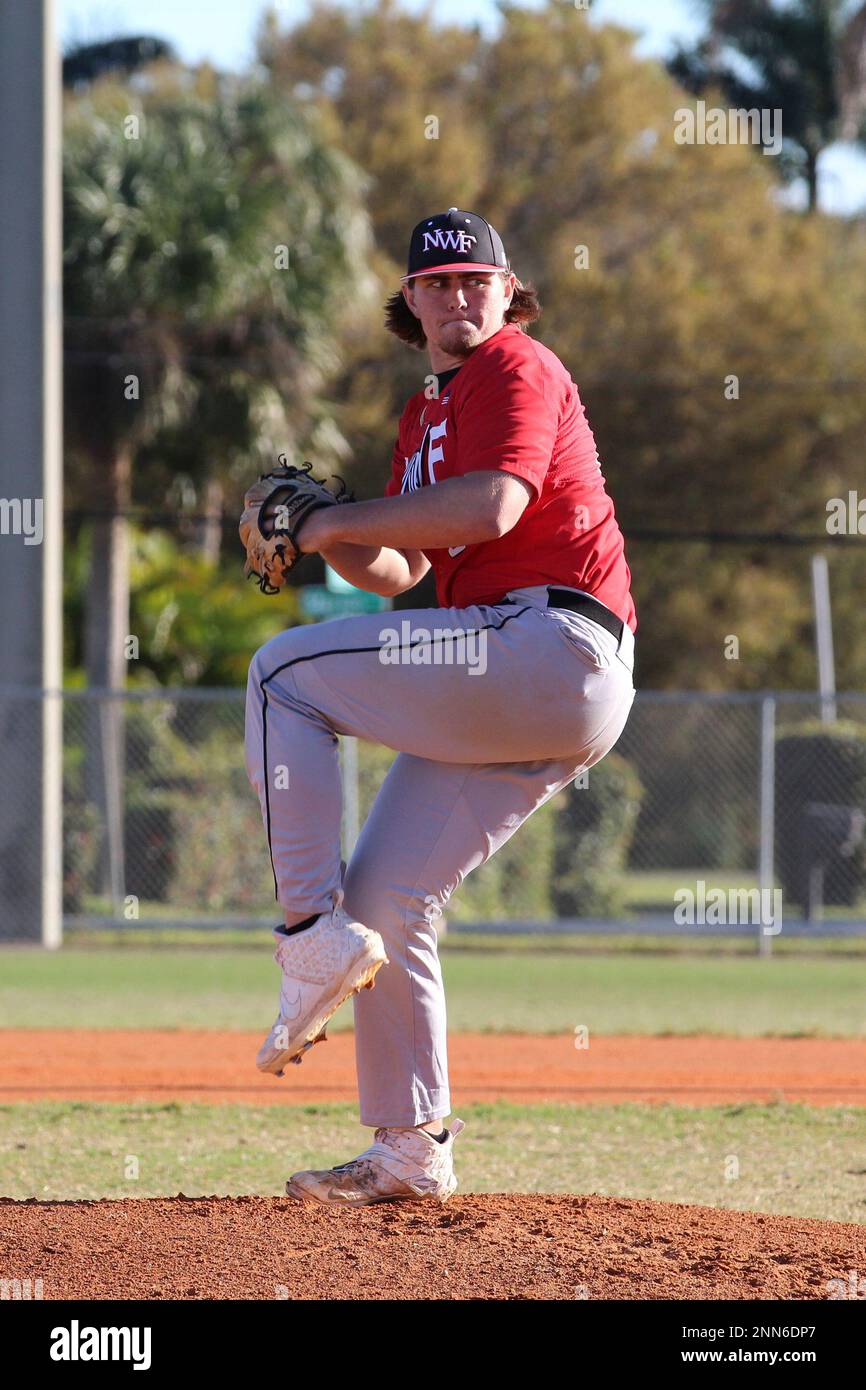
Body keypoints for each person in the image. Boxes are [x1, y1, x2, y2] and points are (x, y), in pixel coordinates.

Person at [244, 208, 637, 1206]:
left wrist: (330, 515)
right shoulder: (425, 413)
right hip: (513, 671)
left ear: (509, 292)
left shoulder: (517, 368)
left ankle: (303, 938)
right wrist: (322, 539)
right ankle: (411, 1148)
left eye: (475, 280)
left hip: (547, 641)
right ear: (409, 303)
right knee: (386, 893)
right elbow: (398, 570)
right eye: (437, 283)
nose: (458, 297)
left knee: (279, 674)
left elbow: (493, 507)